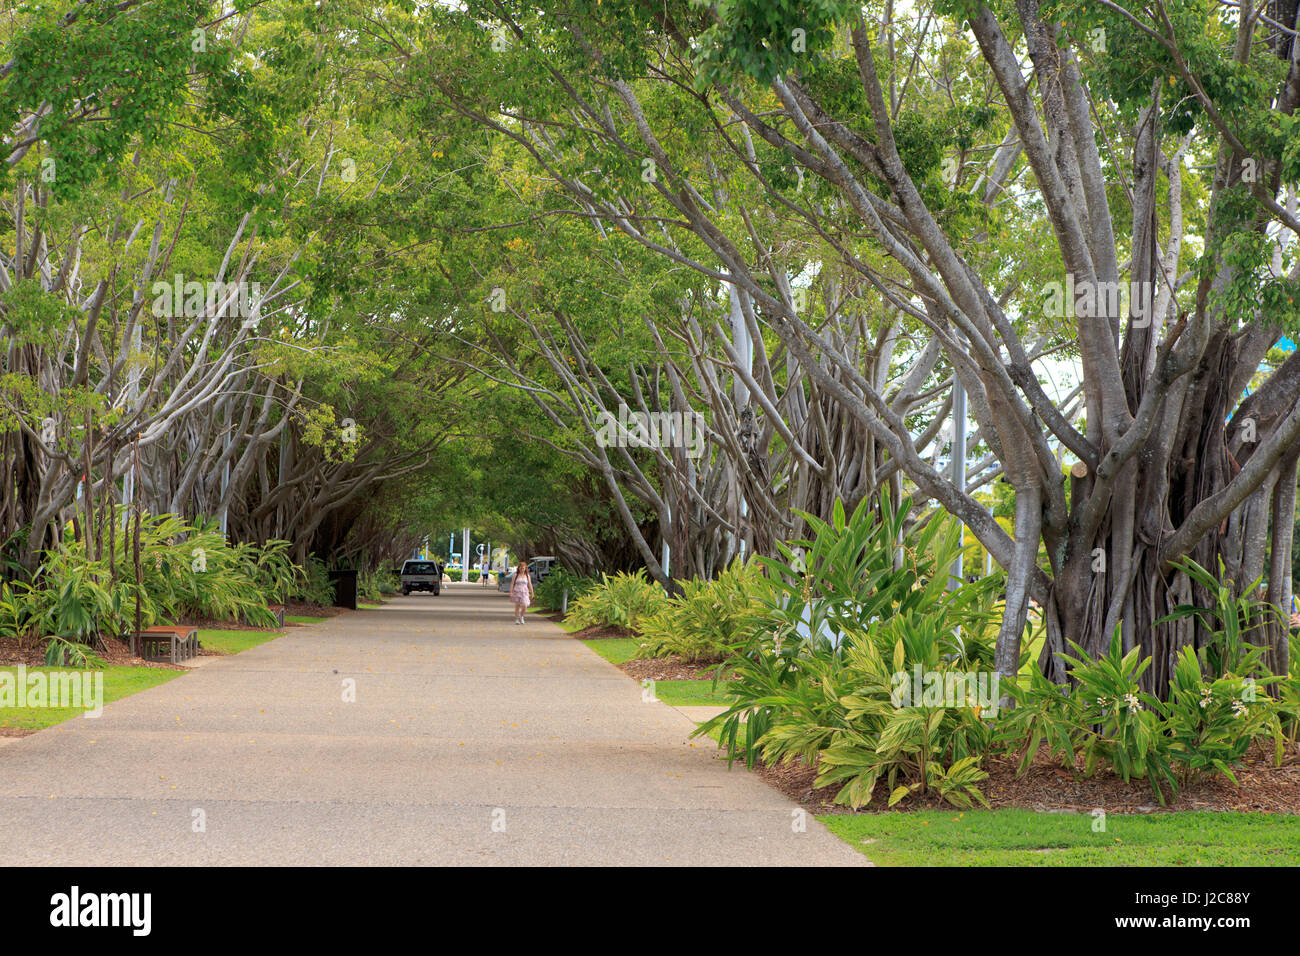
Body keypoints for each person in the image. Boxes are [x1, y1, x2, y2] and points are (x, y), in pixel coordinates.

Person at [510, 559, 534, 624]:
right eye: (521, 568)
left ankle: (522, 616)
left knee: (525, 605)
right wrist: (511, 592)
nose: (522, 569)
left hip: (525, 592)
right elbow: (512, 584)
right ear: (519, 568)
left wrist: (532, 593)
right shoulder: (516, 575)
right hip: (517, 591)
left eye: (523, 568)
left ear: (525, 568)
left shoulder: (527, 575)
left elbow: (530, 584)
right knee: (517, 606)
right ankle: (517, 619)